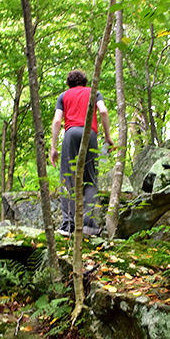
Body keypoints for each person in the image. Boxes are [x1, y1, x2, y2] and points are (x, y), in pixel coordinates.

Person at [49, 69, 113, 236]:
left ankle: (68, 226)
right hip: (89, 134)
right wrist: (107, 137)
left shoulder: (63, 96)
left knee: (67, 179)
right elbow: (103, 111)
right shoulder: (94, 92)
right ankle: (88, 225)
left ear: (68, 83)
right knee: (90, 180)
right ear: (85, 82)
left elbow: (57, 120)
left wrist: (53, 147)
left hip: (70, 134)